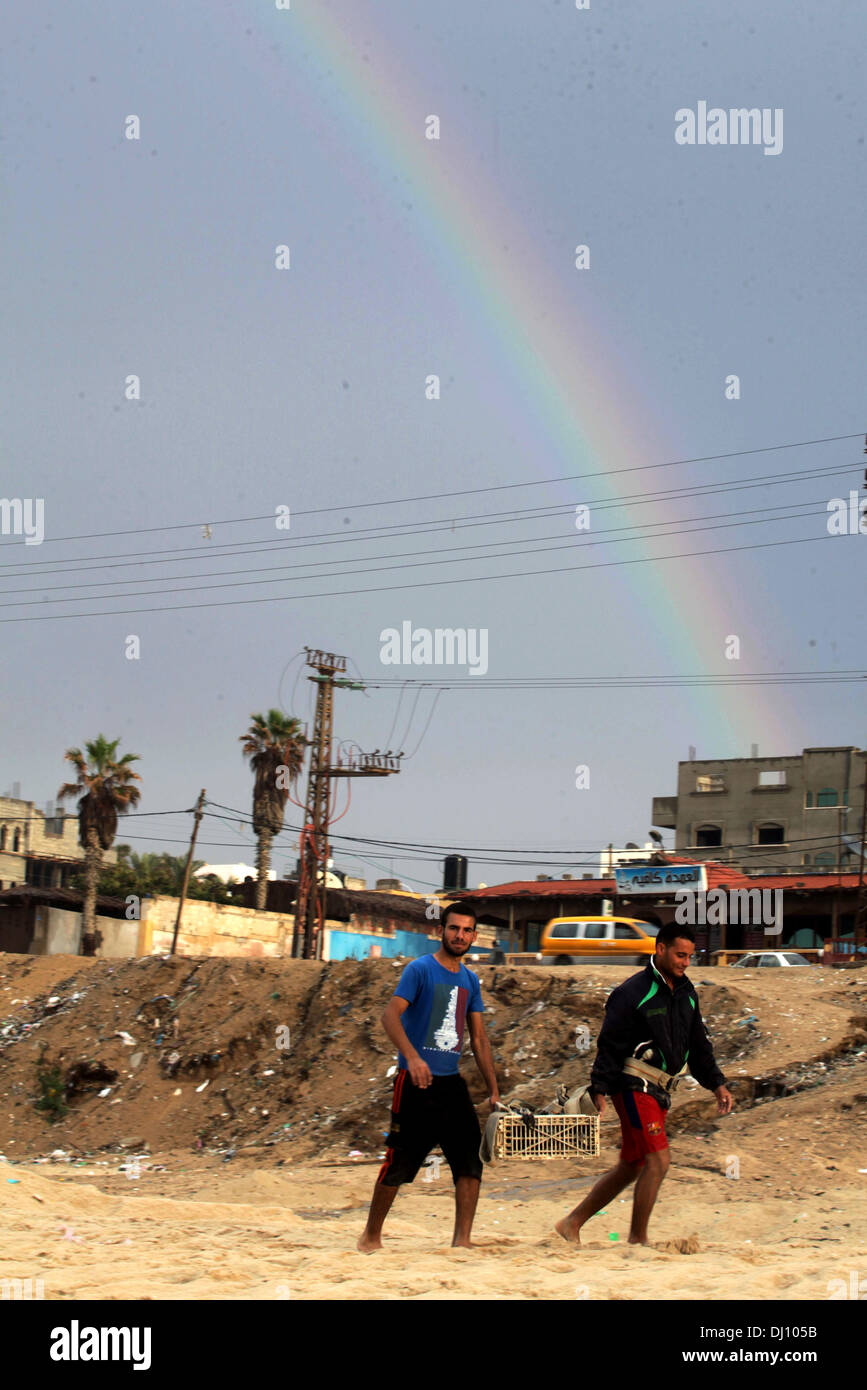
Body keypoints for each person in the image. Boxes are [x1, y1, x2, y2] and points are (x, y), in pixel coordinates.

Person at [555, 922, 733, 1247]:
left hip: (660, 1091)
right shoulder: (632, 993)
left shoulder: (687, 993)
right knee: (659, 1160)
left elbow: (699, 1044)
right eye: (680, 955)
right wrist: (599, 1088)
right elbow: (610, 1044)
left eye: (690, 957)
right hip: (633, 1086)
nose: (685, 963)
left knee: (632, 1165)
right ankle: (638, 1240)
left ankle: (572, 1223)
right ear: (660, 949)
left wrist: (717, 1084)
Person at [357, 905, 499, 1251]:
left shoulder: (469, 980)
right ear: (441, 930)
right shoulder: (419, 970)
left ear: (475, 937)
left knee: (469, 1160)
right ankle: (371, 1236)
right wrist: (413, 1057)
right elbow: (390, 1017)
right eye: (454, 929)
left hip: (451, 1083)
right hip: (414, 1082)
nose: (460, 936)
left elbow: (479, 1039)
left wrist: (494, 1090)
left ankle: (461, 1241)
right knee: (401, 1163)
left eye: (467, 931)